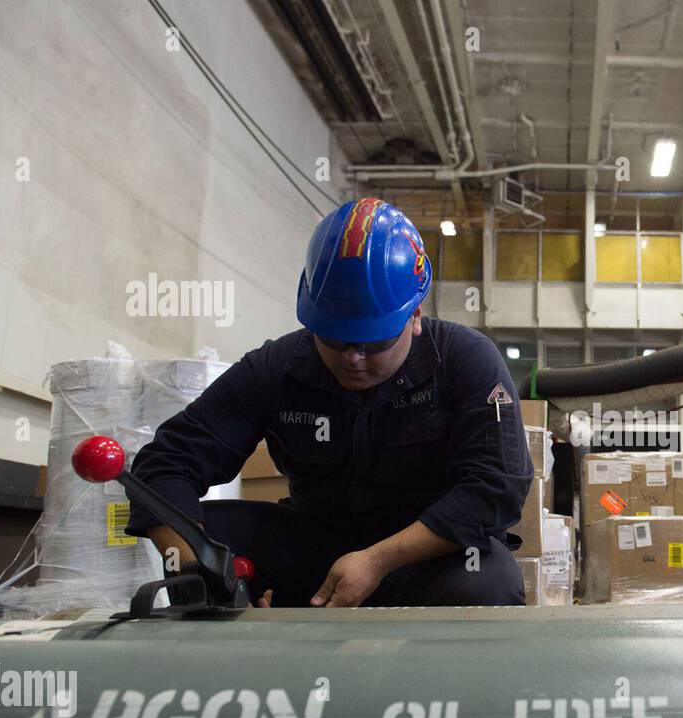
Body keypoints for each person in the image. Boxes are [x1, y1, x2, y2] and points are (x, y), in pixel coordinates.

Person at [125, 197, 532, 607]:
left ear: (414, 315)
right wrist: (209, 574)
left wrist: (376, 561)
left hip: (425, 557)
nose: (353, 358)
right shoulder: (275, 368)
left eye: (374, 342)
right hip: (317, 552)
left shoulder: (465, 361)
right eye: (334, 338)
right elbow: (166, 464)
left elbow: (496, 487)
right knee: (209, 536)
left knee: (489, 582)